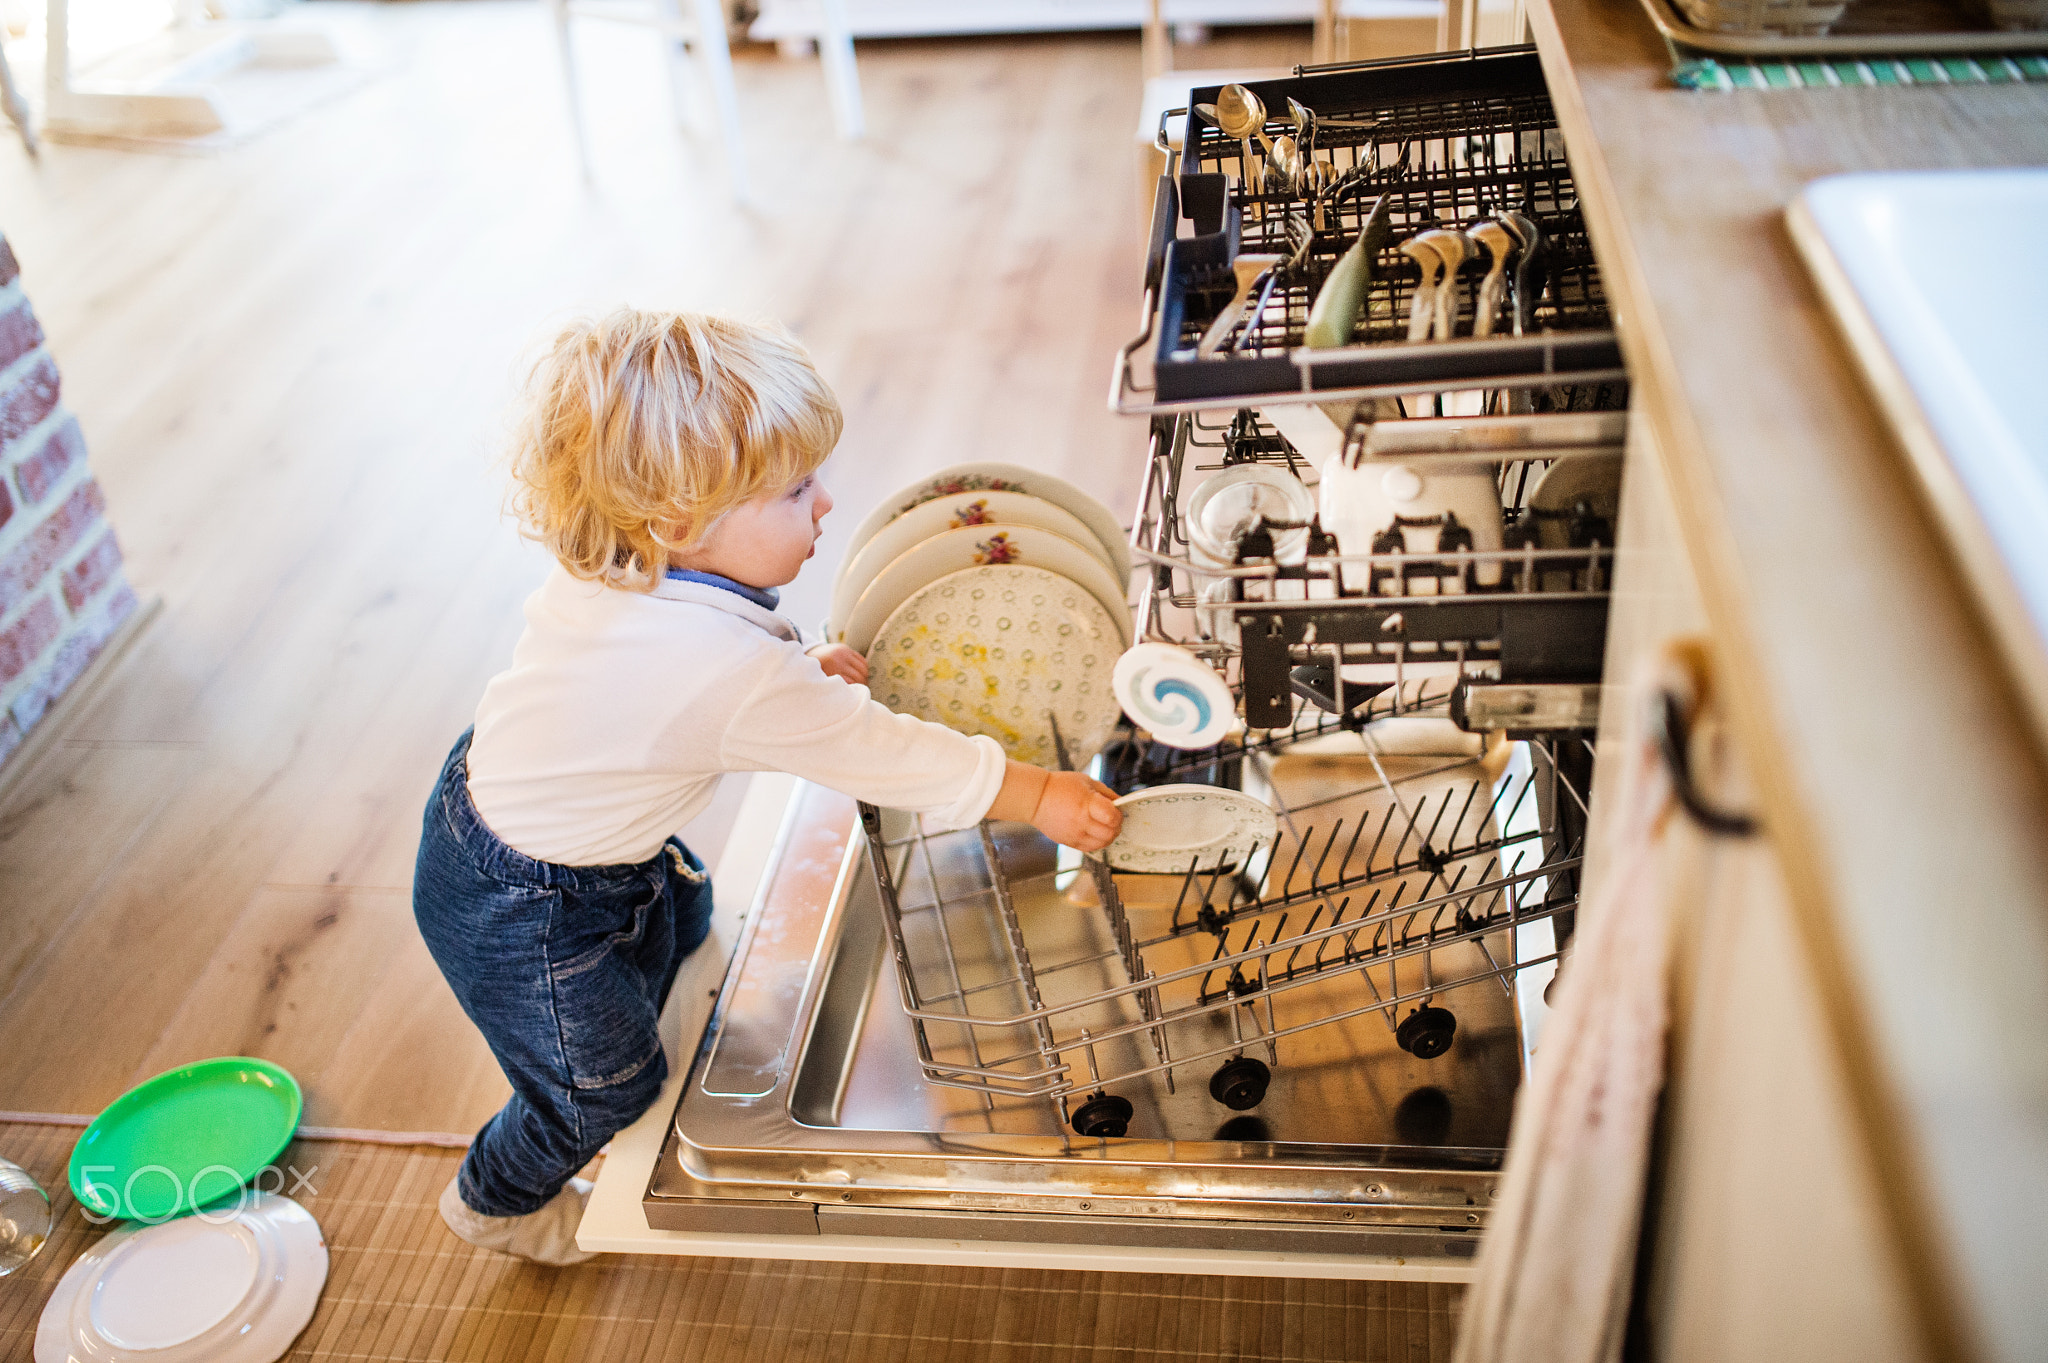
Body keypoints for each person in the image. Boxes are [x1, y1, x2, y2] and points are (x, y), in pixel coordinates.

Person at [412, 309, 1122, 1265]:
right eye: (795, 490)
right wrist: (1035, 792)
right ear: (677, 521)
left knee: (679, 931)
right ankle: (493, 1201)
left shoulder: (626, 567)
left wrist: (796, 668)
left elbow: (692, 683)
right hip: (526, 907)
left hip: (496, 811)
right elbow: (886, 755)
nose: (825, 501)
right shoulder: (717, 672)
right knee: (600, 1088)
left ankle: (633, 1008)